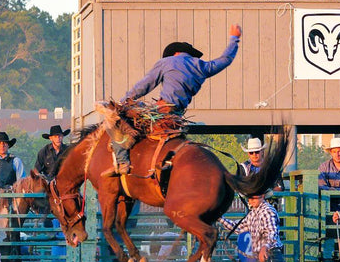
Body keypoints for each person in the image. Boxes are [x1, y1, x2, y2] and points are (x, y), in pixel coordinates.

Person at [104, 24, 242, 176]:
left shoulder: (167, 62)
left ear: (175, 53)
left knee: (115, 119)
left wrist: (123, 101)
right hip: (177, 116)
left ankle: (122, 161)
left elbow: (144, 86)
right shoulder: (202, 66)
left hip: (161, 111)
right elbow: (226, 59)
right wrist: (234, 38)